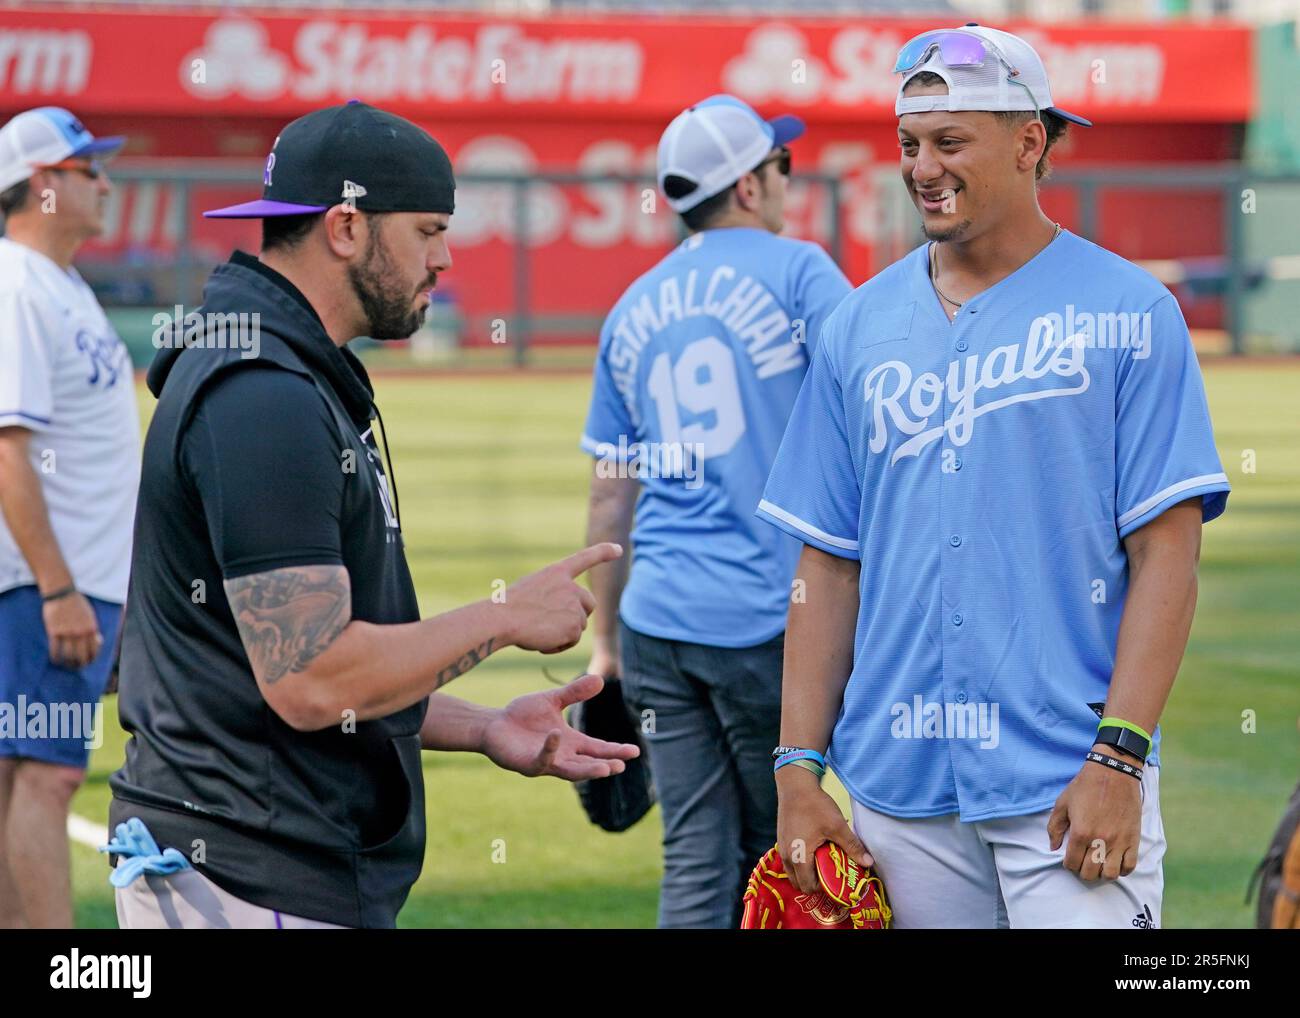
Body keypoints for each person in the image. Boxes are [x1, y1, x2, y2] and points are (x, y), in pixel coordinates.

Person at [108, 101, 638, 929]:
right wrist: (503, 616)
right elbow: (313, 678)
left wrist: (485, 726)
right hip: (254, 877)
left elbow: (321, 671)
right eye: (427, 230)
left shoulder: (287, 371)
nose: (446, 257)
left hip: (267, 866)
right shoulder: (262, 397)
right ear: (347, 227)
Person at [758, 25, 1231, 929]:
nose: (922, 167)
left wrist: (1121, 759)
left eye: (949, 141)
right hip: (900, 787)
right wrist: (796, 768)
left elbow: (1167, 556)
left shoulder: (1131, 312)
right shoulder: (857, 327)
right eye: (909, 144)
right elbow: (826, 567)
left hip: (1066, 774)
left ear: (1030, 142)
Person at [582, 94, 851, 927]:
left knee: (696, 861)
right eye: (780, 165)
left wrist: (608, 642)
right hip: (768, 621)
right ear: (746, 185)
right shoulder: (802, 270)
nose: (784, 181)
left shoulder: (632, 307)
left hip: (658, 620)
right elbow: (879, 408)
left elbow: (610, 493)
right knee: (786, 852)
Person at [0, 107, 133, 928]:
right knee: (43, 775)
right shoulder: (16, 282)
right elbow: (7, 447)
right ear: (44, 183)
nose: (108, 183)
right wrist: (57, 588)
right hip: (45, 585)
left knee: (23, 772)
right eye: (90, 170)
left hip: (77, 583)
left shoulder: (59, 284)